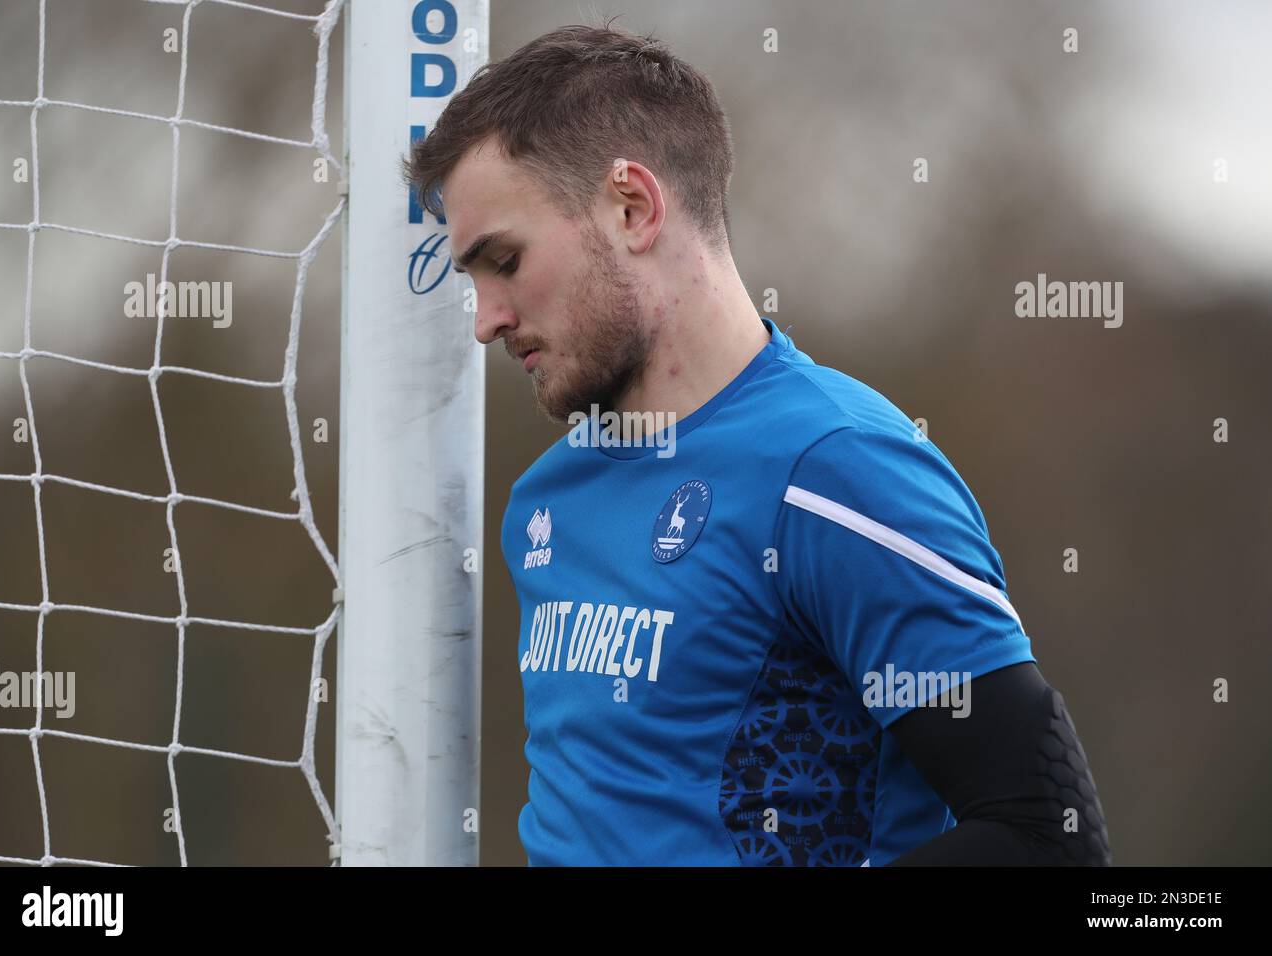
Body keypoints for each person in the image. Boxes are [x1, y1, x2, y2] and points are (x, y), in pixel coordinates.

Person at [402, 20, 1110, 866]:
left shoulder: (838, 472)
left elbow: (1044, 835)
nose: (485, 322)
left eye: (505, 262)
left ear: (633, 207)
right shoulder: (544, 501)